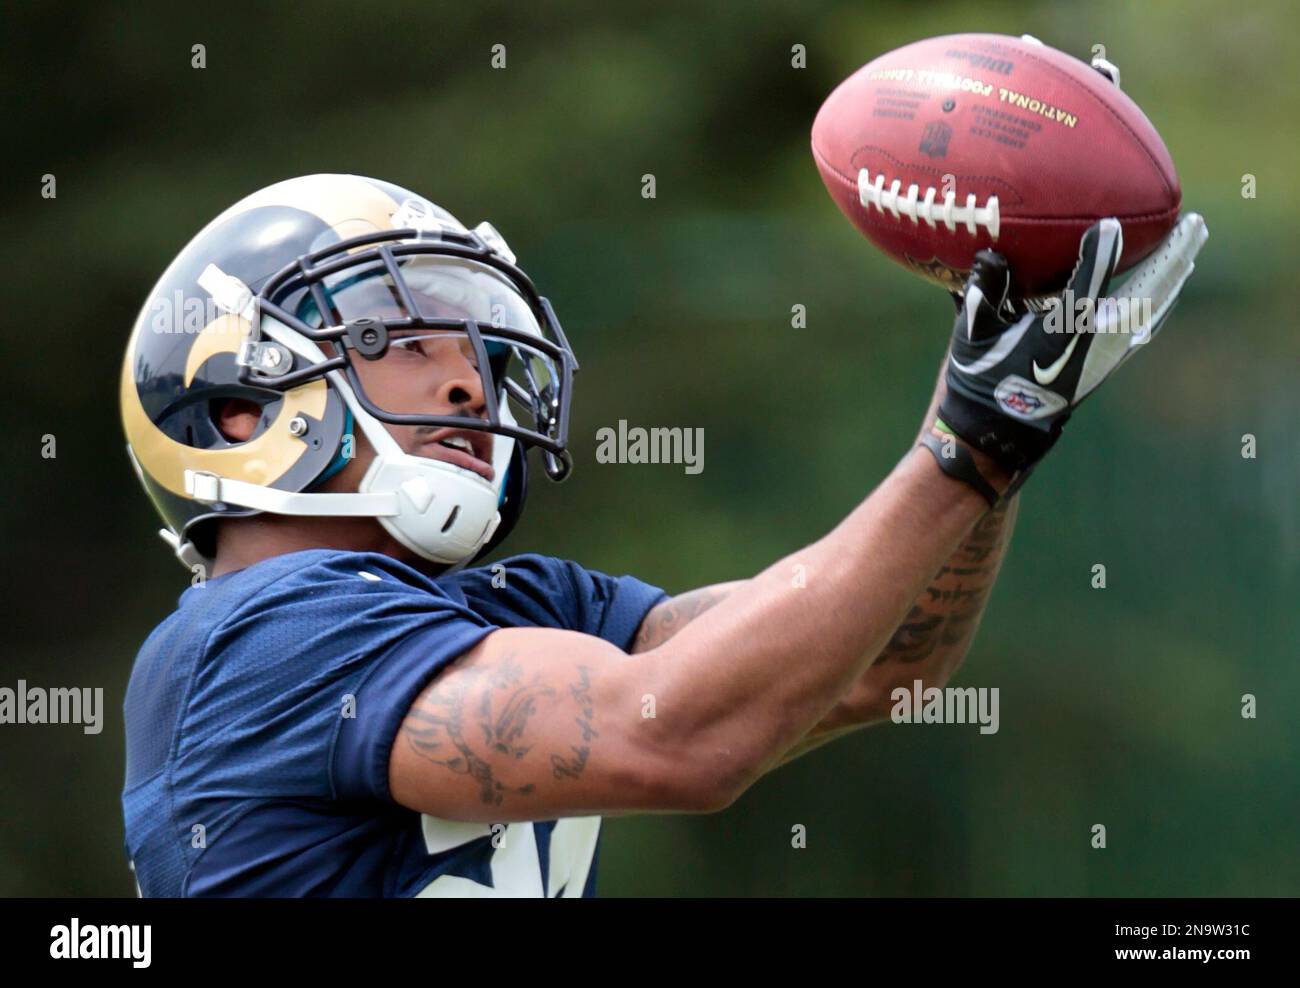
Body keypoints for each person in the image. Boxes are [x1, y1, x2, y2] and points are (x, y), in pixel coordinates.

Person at [119, 173, 1205, 896]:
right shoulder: (257, 644)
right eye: (400, 337)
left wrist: (986, 406)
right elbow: (673, 733)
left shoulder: (516, 608)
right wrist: (968, 445)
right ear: (239, 406)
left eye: (476, 346)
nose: (465, 376)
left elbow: (888, 661)